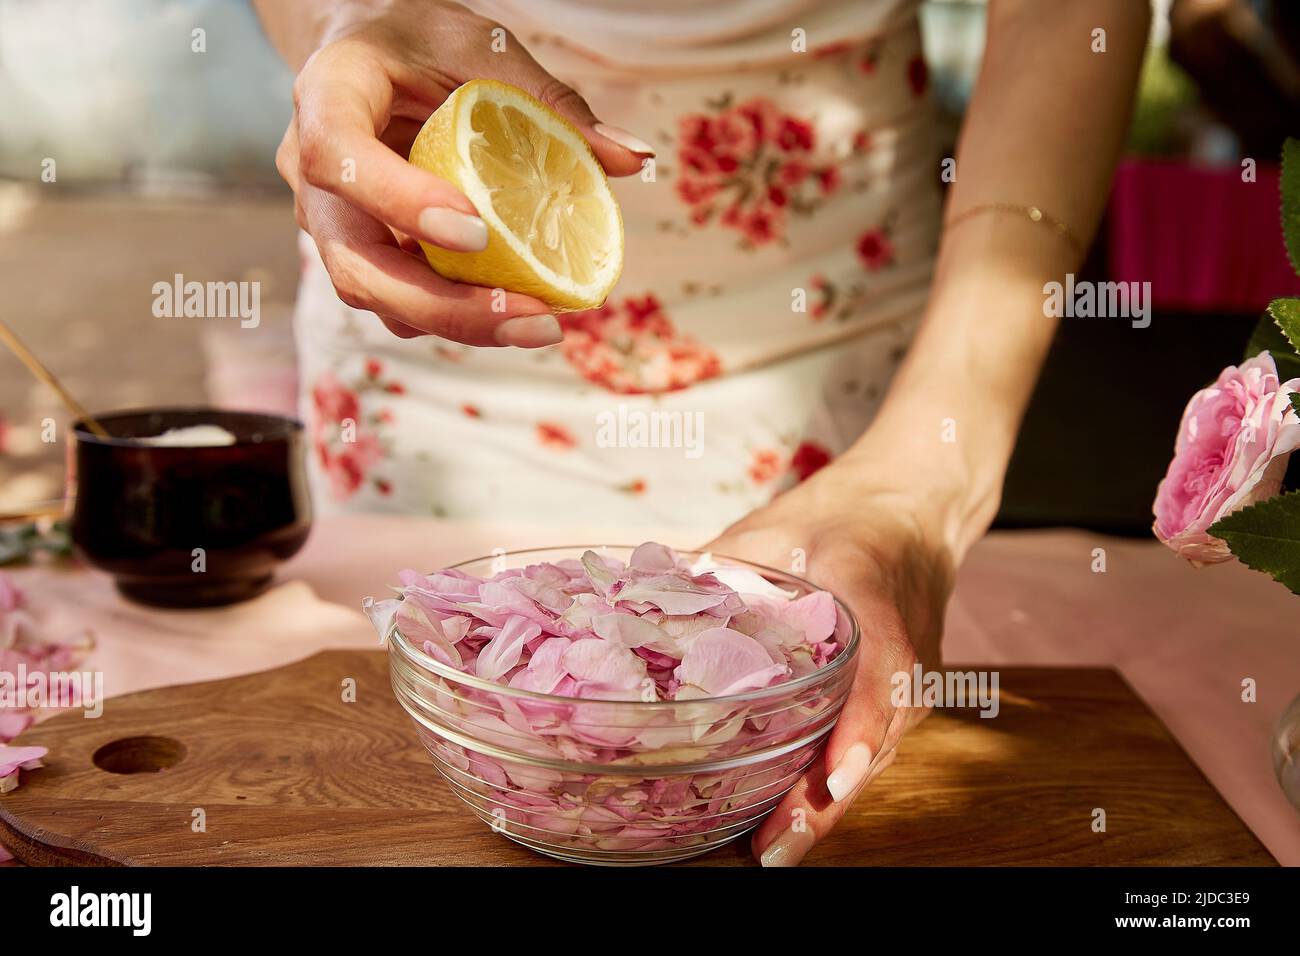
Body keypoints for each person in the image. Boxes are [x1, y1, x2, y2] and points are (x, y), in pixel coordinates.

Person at [254, 0, 1149, 866]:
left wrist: (926, 478)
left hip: (834, 335)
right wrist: (339, 25)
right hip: (431, 323)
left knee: (827, 655)